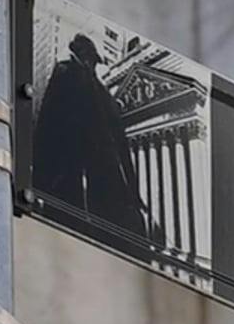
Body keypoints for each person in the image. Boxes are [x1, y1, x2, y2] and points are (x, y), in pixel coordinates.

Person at [27, 32, 151, 249]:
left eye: (94, 61)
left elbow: (120, 146)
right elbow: (51, 124)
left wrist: (132, 191)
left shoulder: (100, 91)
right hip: (73, 173)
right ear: (84, 56)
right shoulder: (67, 74)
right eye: (91, 59)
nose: (92, 64)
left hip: (100, 177)